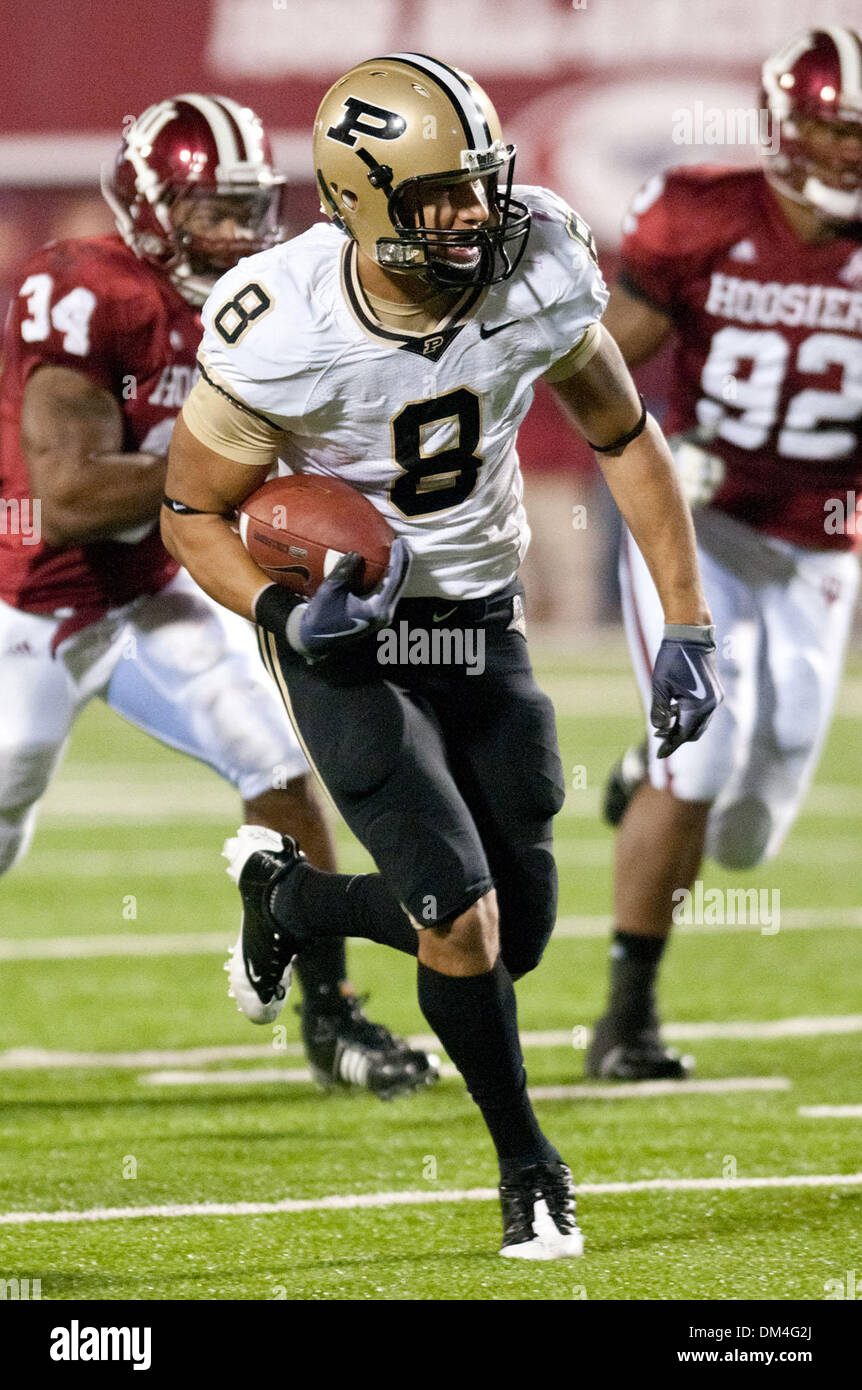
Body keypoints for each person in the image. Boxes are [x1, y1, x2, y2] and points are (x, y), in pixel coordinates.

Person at [161, 52, 721, 1259]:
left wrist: (684, 619)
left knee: (512, 934)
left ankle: (291, 897)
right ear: (363, 199)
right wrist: (275, 612)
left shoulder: (539, 263)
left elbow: (623, 432)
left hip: (477, 617)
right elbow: (190, 511)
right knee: (457, 916)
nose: (475, 213)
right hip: (342, 634)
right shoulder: (281, 321)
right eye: (440, 195)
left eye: (481, 183)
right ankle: (530, 1168)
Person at [0, 92, 434, 1099]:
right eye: (212, 210)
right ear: (150, 207)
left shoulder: (283, 297)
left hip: (154, 590)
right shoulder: (85, 289)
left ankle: (332, 1016)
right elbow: (65, 499)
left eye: (250, 208)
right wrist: (224, 471)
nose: (238, 233)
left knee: (280, 762)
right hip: (26, 598)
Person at [588, 26, 862, 1081]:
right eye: (836, 132)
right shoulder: (699, 212)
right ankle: (625, 1021)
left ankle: (634, 769)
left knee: (752, 823)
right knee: (700, 753)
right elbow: (604, 363)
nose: (849, 153)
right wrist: (655, 450)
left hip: (820, 543)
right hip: (697, 530)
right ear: (786, 129)